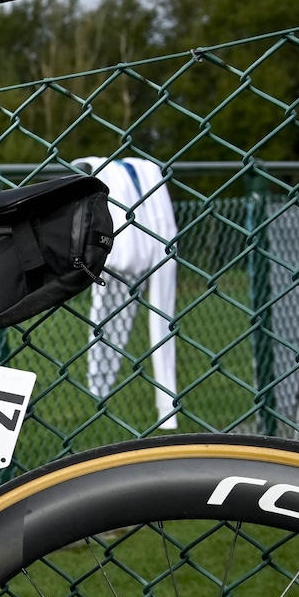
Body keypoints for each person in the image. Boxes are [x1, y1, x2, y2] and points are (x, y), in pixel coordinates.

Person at [72, 155, 180, 430]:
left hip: (153, 245)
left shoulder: (150, 172)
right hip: (134, 249)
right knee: (110, 310)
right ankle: (100, 382)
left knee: (162, 316)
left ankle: (166, 403)